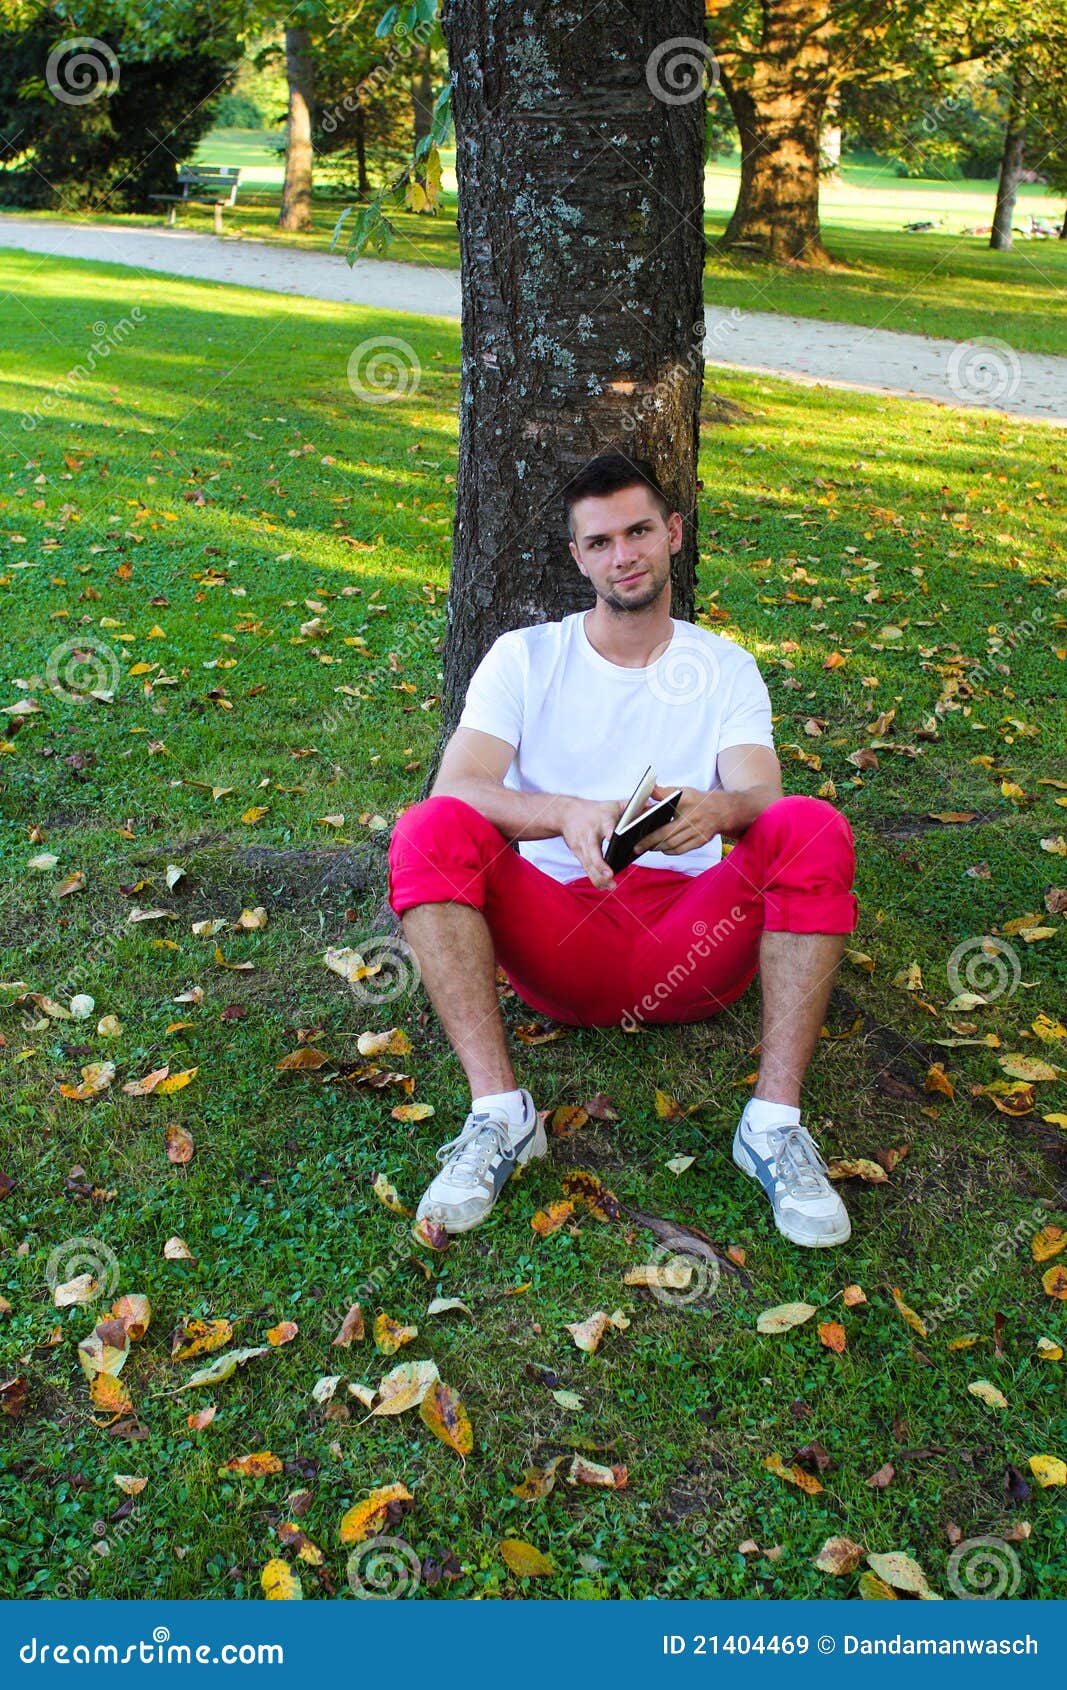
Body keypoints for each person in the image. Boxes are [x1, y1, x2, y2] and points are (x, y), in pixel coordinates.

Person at [387, 452, 859, 1249]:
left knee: (811, 824)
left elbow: (764, 803)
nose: (623, 555)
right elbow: (458, 785)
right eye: (600, 541)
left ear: (672, 534)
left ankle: (773, 1126)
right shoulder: (524, 655)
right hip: (557, 938)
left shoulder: (721, 665)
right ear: (578, 557)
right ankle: (500, 1118)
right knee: (425, 829)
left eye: (639, 531)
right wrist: (564, 813)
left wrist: (718, 809)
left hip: (690, 937)